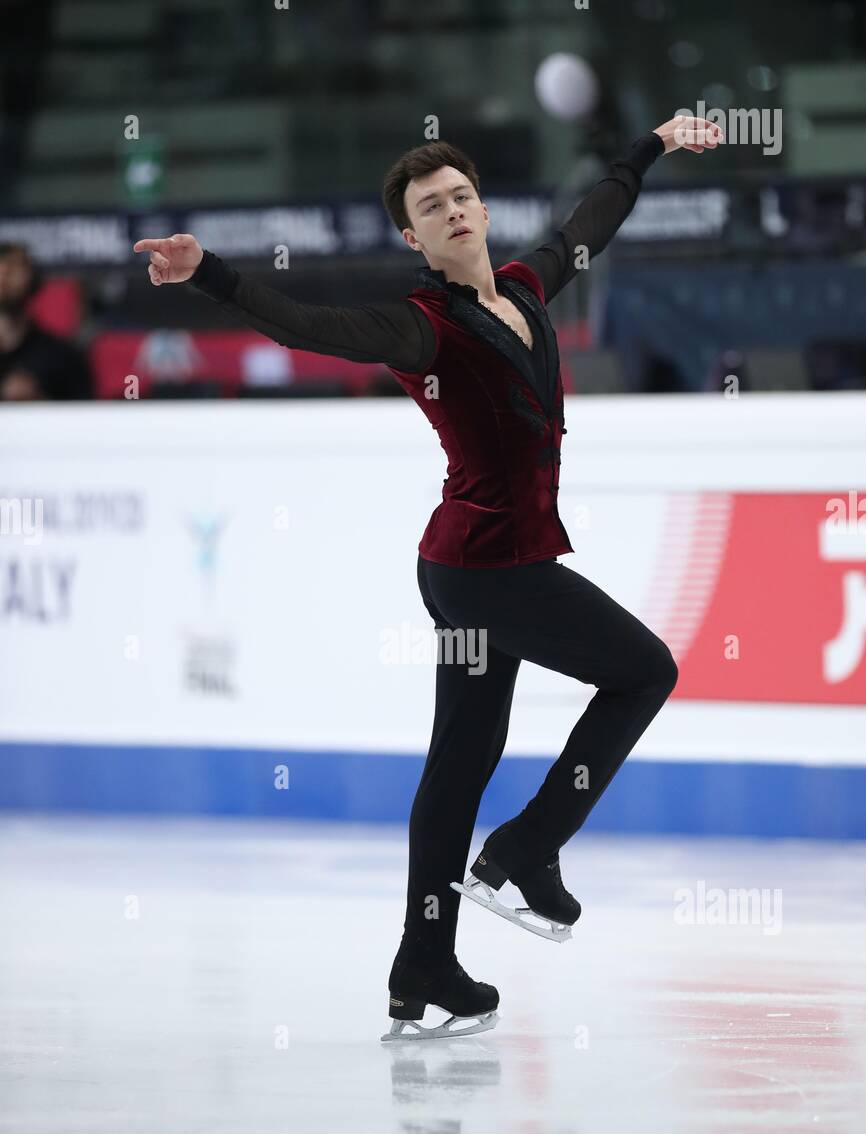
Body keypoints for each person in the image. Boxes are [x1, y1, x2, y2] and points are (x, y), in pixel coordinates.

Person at [134, 112, 724, 1040]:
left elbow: (591, 221)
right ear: (412, 237)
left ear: (483, 210)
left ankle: (423, 962)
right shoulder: (423, 329)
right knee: (646, 671)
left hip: (466, 569)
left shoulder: (528, 289)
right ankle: (529, 849)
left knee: (461, 760)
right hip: (489, 572)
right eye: (429, 207)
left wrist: (651, 146)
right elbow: (310, 324)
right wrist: (208, 273)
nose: (451, 211)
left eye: (460, 196)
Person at [0, 243, 93, 401]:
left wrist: (40, 400)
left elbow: (85, 414)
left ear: (32, 278)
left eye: (13, 267)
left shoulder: (61, 357)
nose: (3, 275)